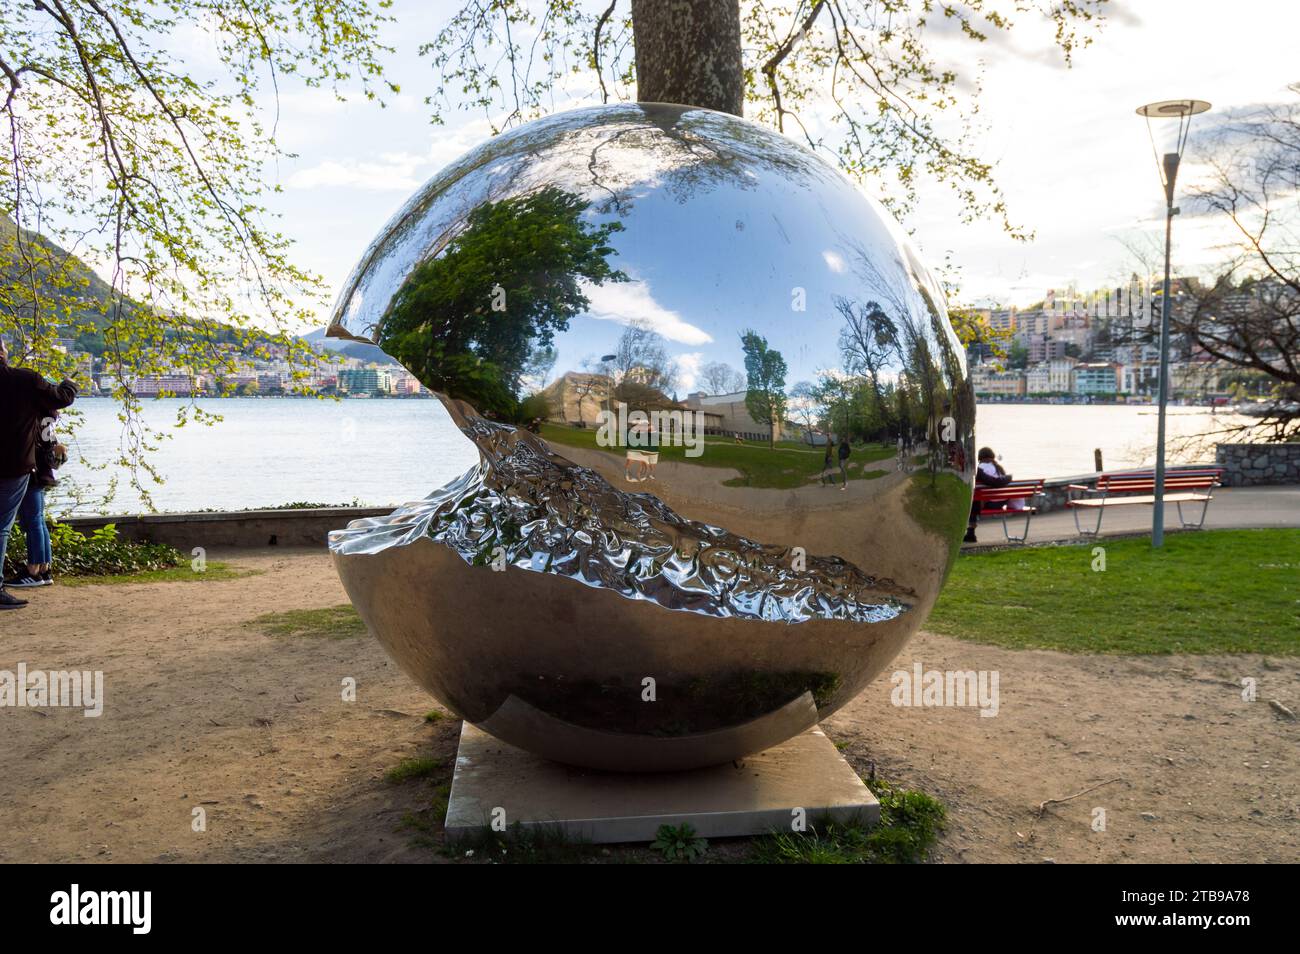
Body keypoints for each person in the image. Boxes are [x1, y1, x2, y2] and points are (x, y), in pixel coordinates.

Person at [0, 338, 78, 610]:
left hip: (25, 467)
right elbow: (60, 400)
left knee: (29, 520)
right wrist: (68, 385)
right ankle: (39, 569)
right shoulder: (29, 388)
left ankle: (37, 570)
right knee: (25, 521)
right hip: (24, 465)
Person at [5, 412, 65, 588]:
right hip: (42, 470)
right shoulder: (48, 416)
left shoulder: (33, 414)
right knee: (38, 520)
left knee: (33, 521)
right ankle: (43, 568)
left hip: (31, 469)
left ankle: (33, 570)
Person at [965, 446, 1012, 544]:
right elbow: (998, 482)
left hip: (988, 504)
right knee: (976, 499)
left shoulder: (979, 469)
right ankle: (970, 533)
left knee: (972, 501)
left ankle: (970, 532)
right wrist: (1009, 477)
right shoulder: (998, 468)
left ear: (979, 457)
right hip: (1001, 502)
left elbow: (993, 482)